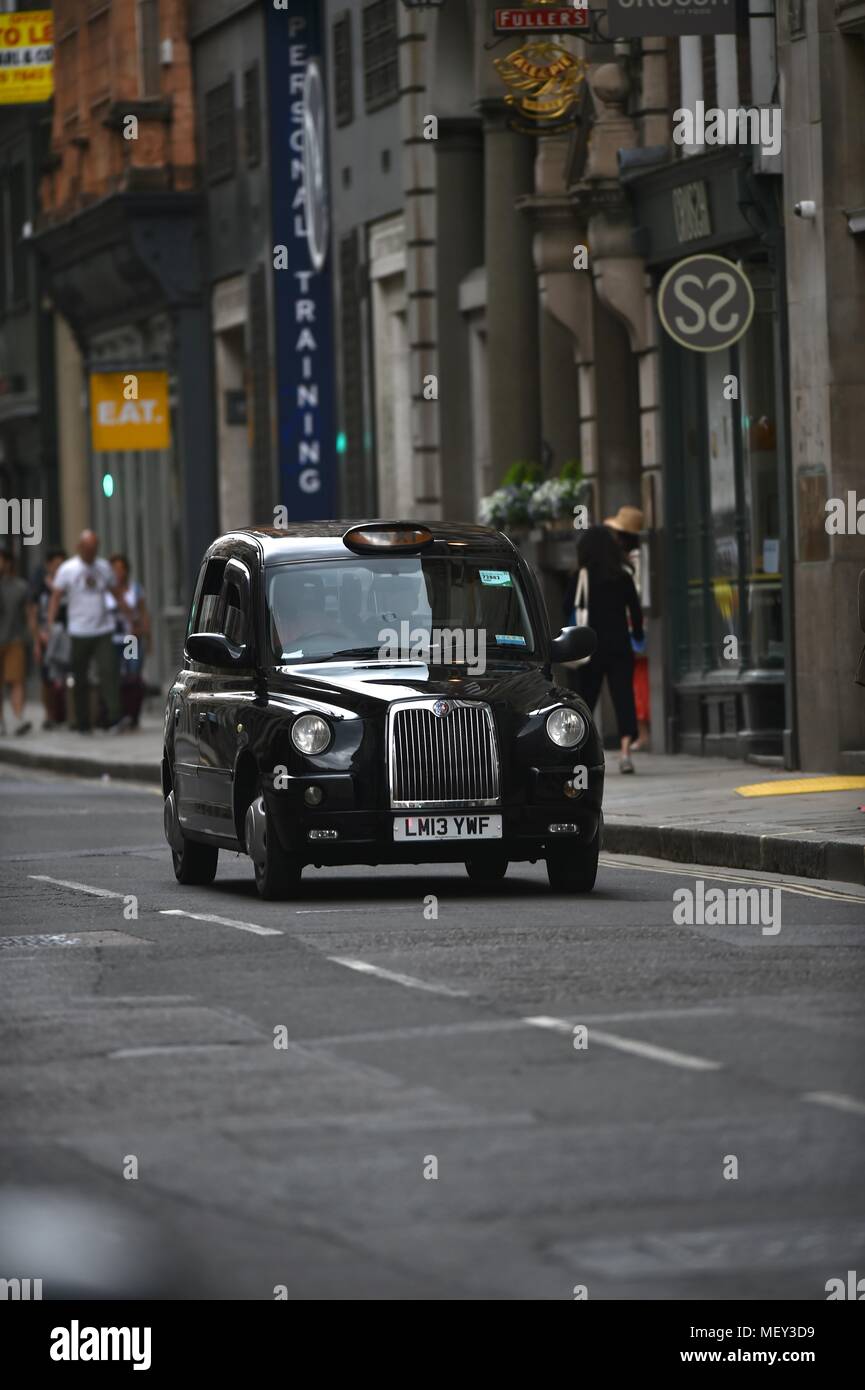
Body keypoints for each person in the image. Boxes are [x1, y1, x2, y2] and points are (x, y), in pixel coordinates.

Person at [564, 524, 644, 774]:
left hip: (590, 647)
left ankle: (581, 754)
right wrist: (638, 636)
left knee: (586, 700)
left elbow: (567, 607)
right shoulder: (623, 576)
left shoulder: (580, 576)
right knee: (623, 698)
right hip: (619, 646)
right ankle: (625, 753)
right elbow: (636, 611)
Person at [46, 531, 130, 734]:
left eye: (94, 549)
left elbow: (116, 592)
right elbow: (56, 596)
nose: (91, 553)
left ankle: (114, 717)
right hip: (78, 630)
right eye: (88, 549)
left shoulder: (103, 568)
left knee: (108, 671)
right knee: (80, 677)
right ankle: (83, 721)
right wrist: (50, 622)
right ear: (80, 548)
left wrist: (129, 614)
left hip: (103, 629)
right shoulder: (68, 569)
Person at [108, 553, 151, 728]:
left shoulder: (135, 588)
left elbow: (143, 613)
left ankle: (132, 714)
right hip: (112, 639)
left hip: (130, 639)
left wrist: (148, 635)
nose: (118, 573)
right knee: (116, 676)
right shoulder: (106, 591)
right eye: (114, 569)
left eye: (121, 569)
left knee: (132, 675)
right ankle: (119, 713)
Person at [29, 548, 69, 729]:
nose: (59, 569)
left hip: (67, 635)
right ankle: (50, 714)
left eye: (62, 565)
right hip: (46, 636)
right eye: (56, 565)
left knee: (66, 675)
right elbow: (33, 614)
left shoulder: (68, 584)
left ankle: (67, 713)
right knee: (48, 678)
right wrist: (37, 639)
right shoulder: (41, 587)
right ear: (48, 565)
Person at [0, 549, 32, 736]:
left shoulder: (20, 587)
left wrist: (33, 637)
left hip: (15, 639)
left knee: (17, 680)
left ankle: (18, 718)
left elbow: (29, 613)